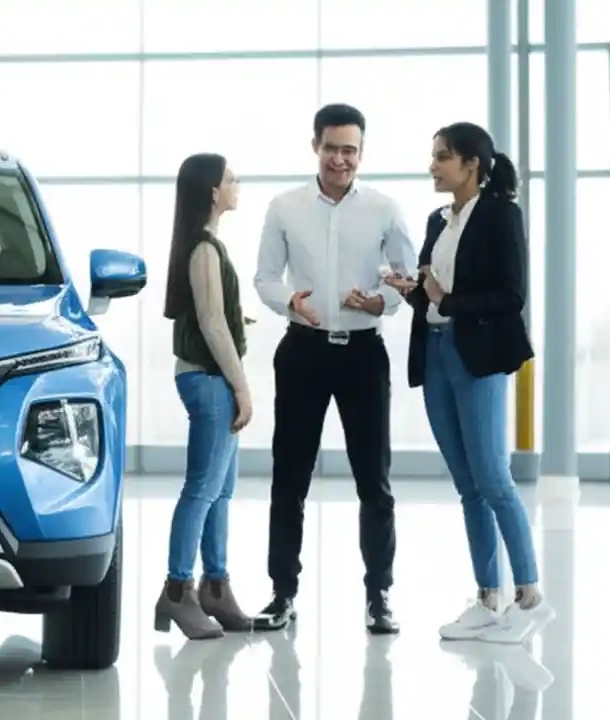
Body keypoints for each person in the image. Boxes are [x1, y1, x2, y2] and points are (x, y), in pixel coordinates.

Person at [384, 121, 554, 644]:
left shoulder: (502, 216)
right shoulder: (439, 220)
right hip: (435, 355)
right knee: (468, 485)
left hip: (476, 355)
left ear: (472, 165)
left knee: (493, 478)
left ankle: (529, 597)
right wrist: (410, 289)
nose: (433, 165)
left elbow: (511, 294)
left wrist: (444, 298)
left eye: (442, 156)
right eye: (433, 155)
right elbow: (432, 290)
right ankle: (488, 597)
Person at [252, 104, 416, 634]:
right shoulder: (285, 207)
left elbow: (407, 278)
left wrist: (380, 304)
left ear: (361, 152)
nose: (340, 159)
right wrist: (288, 303)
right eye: (331, 148)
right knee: (289, 478)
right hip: (303, 351)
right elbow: (264, 278)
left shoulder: (386, 209)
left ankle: (380, 595)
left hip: (364, 355)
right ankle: (282, 593)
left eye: (350, 150)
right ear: (315, 147)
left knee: (375, 481)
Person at [153, 153, 254, 640]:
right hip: (210, 382)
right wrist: (241, 385)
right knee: (201, 489)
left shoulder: (209, 247)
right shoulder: (204, 251)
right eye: (231, 179)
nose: (237, 185)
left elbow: (214, 317)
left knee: (220, 491)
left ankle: (216, 586)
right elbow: (213, 325)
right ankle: (177, 591)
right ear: (213, 192)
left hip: (212, 378)